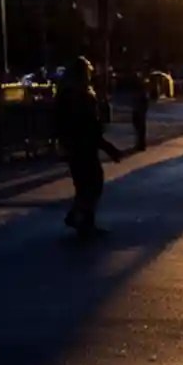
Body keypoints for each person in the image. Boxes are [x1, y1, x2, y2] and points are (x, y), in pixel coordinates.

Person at [56, 56, 122, 236]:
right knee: (92, 183)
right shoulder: (82, 95)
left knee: (84, 184)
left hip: (75, 145)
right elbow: (89, 125)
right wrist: (106, 146)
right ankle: (81, 218)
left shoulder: (66, 93)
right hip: (85, 145)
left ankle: (82, 219)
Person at [132, 73, 150, 152]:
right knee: (139, 127)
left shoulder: (140, 91)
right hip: (138, 109)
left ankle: (141, 144)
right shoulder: (141, 90)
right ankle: (140, 144)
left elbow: (143, 101)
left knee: (139, 127)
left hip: (139, 110)